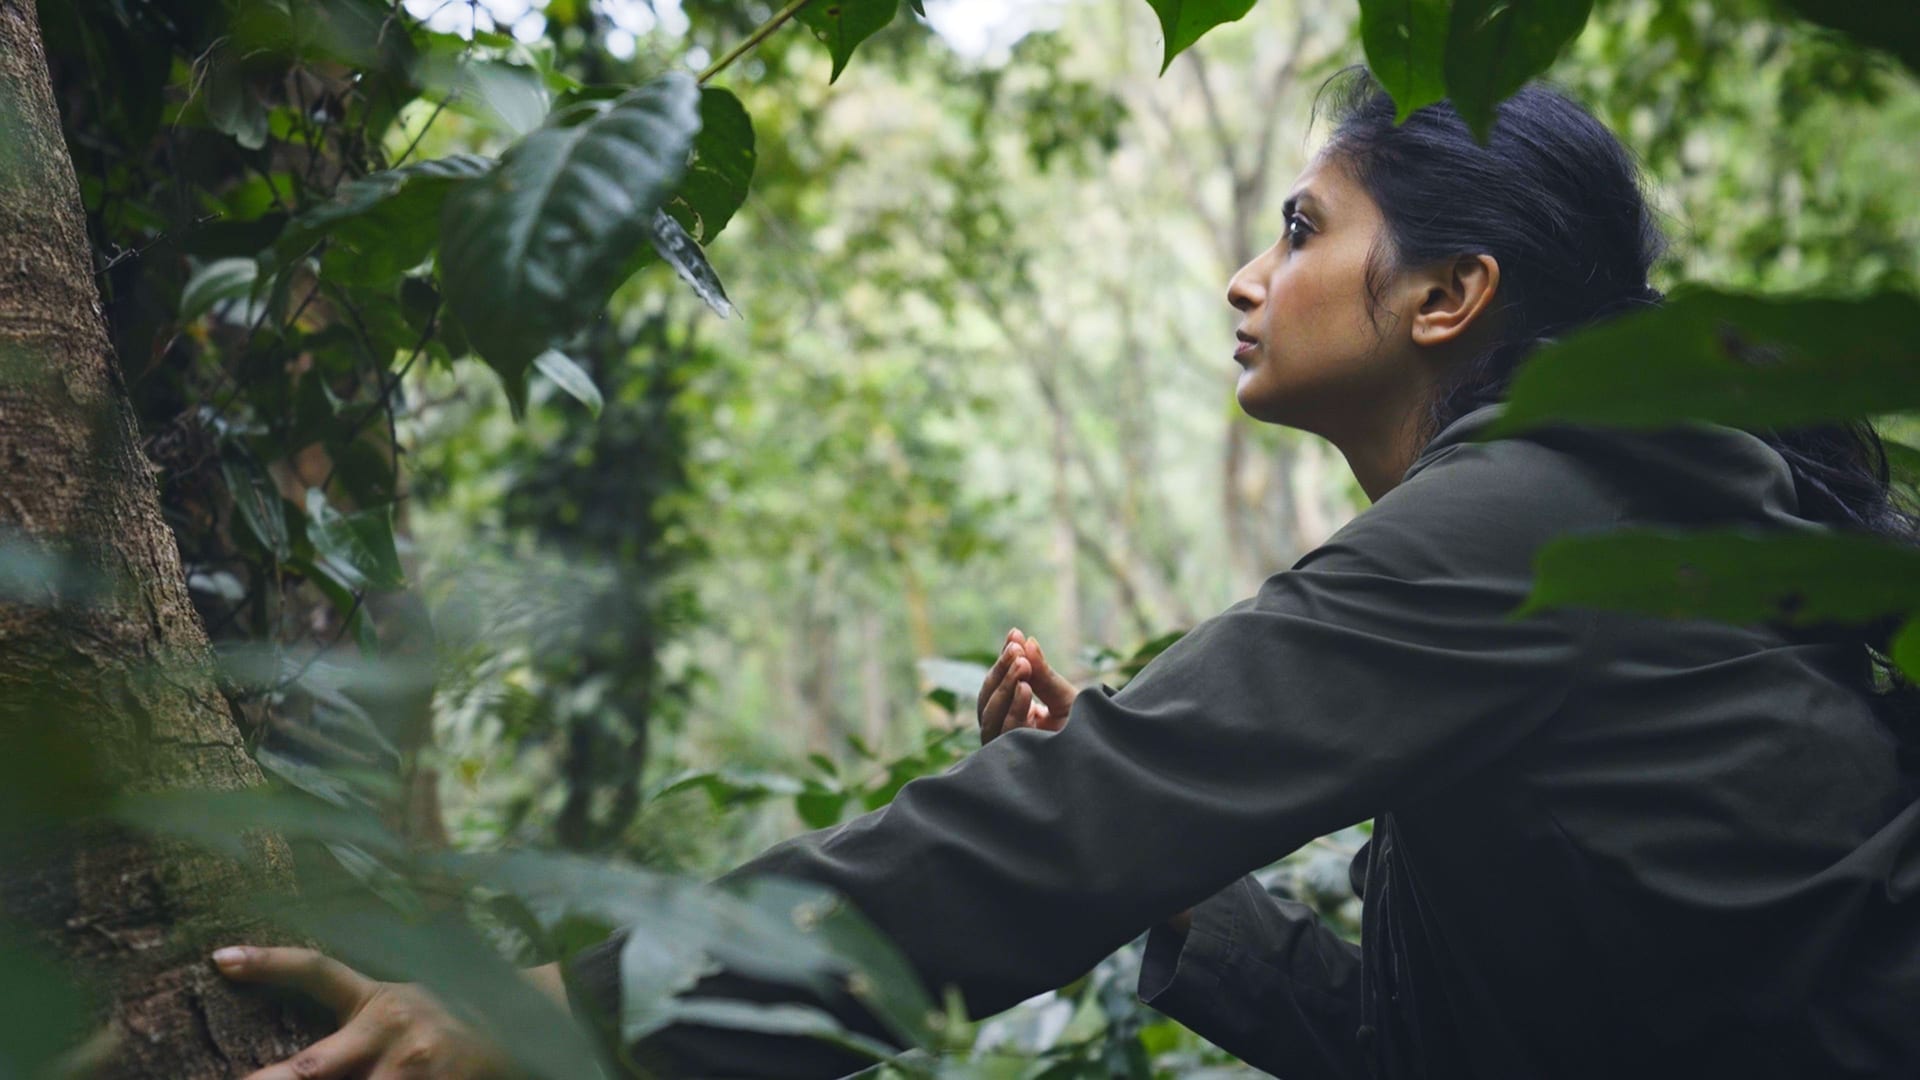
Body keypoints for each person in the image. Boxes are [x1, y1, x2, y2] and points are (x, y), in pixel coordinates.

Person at [213, 69, 1920, 1079]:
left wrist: (561, 1028)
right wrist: (1178, 891)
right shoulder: (1591, 530)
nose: (1248, 279)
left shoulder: (1532, 523)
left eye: (1304, 230)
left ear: (1449, 297)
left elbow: (1056, 831)